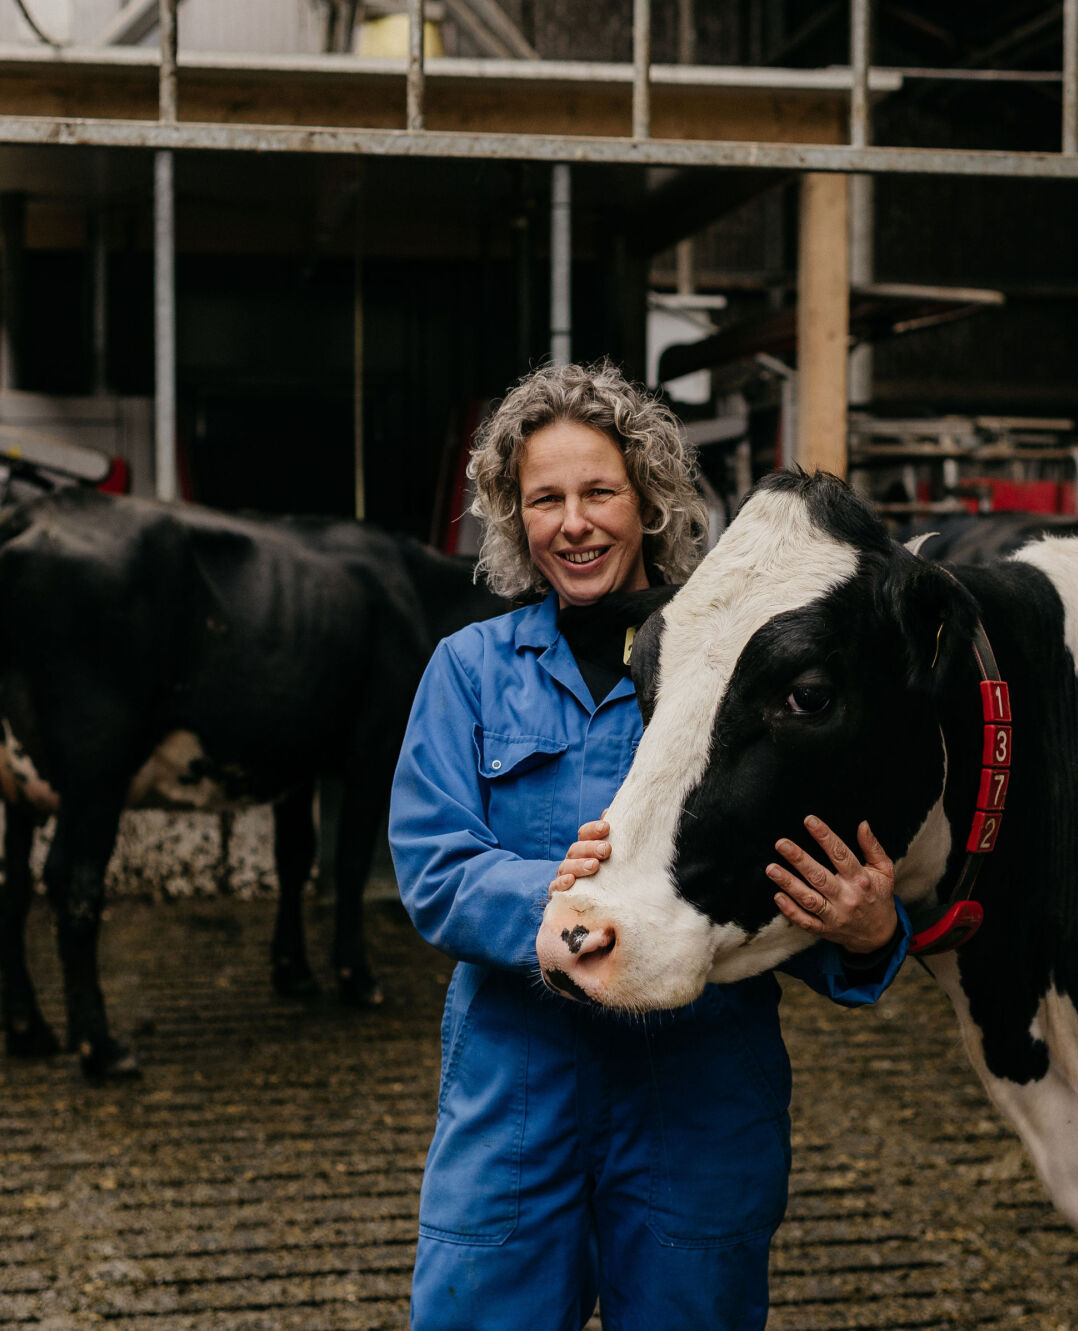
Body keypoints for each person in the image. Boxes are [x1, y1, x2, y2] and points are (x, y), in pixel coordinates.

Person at [391, 361, 912, 1331]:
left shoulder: (742, 668)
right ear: (514, 515)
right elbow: (431, 860)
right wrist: (551, 909)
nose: (573, 522)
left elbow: (803, 861)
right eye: (543, 498)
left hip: (698, 1092)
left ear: (648, 500)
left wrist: (869, 930)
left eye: (599, 491)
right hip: (516, 1087)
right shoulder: (467, 670)